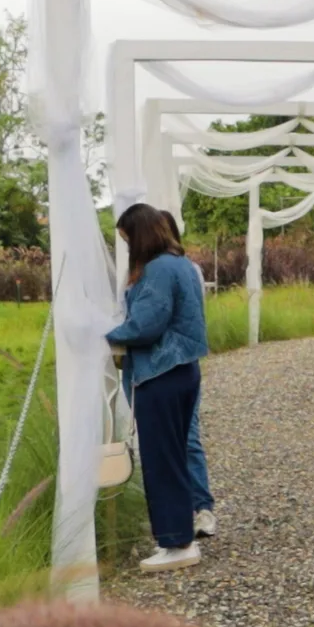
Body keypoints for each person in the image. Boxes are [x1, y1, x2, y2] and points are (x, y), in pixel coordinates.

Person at [106, 203, 209, 571]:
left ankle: (175, 542)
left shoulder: (158, 269)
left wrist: (106, 334)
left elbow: (147, 323)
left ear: (141, 233)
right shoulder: (181, 263)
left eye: (127, 236)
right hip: (183, 370)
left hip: (160, 374)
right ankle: (179, 534)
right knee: (175, 455)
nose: (127, 244)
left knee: (161, 460)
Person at [159, 209, 218, 542]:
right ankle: (177, 510)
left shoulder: (186, 270)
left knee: (188, 436)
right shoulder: (140, 273)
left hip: (179, 363)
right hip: (156, 367)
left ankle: (201, 506)